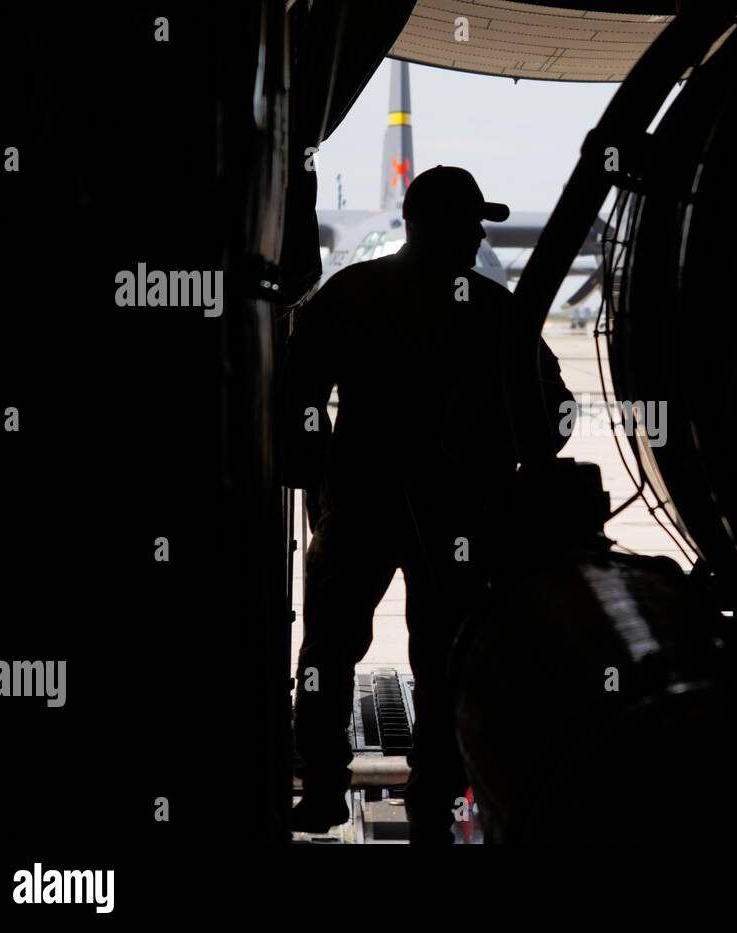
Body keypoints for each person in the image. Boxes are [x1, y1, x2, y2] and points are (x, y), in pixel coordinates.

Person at [281, 165, 572, 841]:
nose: (479, 238)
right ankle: (434, 797)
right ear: (440, 226)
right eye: (471, 224)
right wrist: (497, 448)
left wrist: (318, 472)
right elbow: (554, 414)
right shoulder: (495, 310)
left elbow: (296, 398)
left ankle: (322, 788)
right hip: (456, 512)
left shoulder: (349, 294)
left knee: (328, 651)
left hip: (358, 502)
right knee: (445, 656)